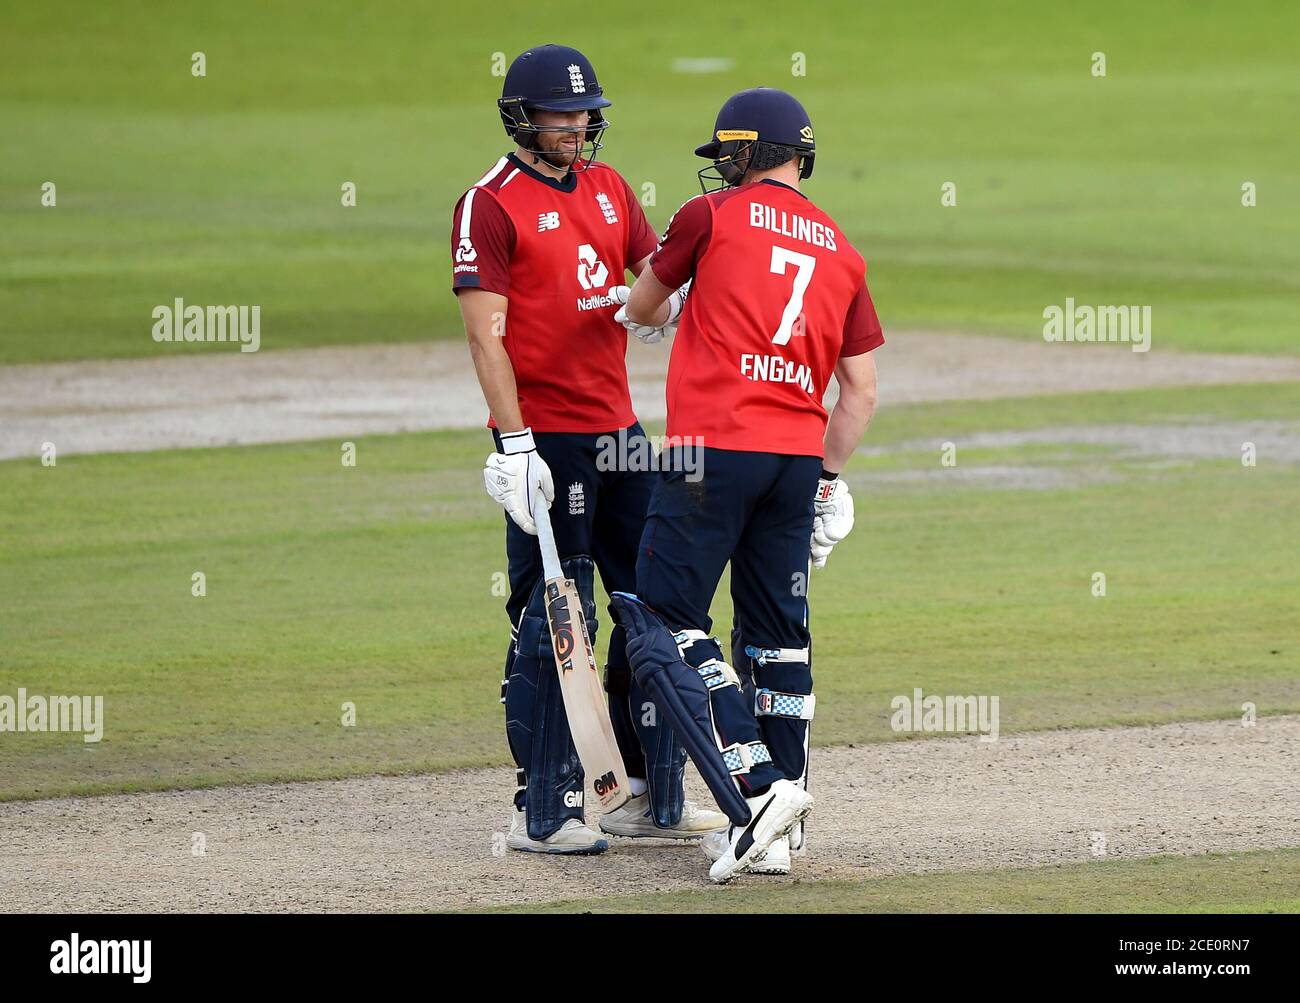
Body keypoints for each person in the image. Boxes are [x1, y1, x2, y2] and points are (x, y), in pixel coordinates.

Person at [451, 44, 724, 854]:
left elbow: (655, 287)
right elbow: (483, 336)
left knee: (656, 603)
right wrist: (514, 443)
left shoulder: (609, 190)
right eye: (562, 114)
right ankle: (544, 806)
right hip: (552, 439)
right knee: (555, 615)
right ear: (522, 118)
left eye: (586, 112)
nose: (578, 125)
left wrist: (677, 296)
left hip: (621, 436)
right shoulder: (490, 204)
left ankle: (649, 792)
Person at [608, 87, 882, 881]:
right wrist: (828, 480)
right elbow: (859, 390)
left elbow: (640, 304)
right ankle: (783, 822)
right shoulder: (842, 248)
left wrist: (678, 302)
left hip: (711, 452)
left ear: (748, 153)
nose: (722, 167)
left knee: (660, 614)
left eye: (728, 153)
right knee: (778, 637)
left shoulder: (712, 217)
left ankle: (758, 788)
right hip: (795, 462)